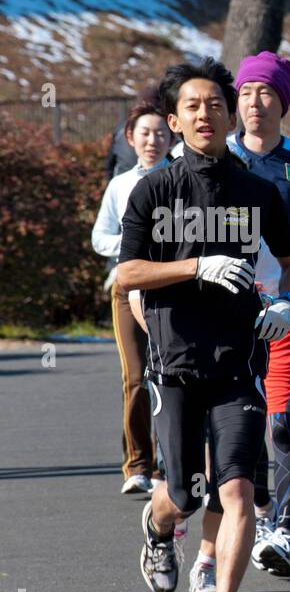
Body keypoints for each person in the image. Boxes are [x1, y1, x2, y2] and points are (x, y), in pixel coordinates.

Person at [116, 56, 290, 592]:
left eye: (215, 105)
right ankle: (156, 524)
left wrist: (285, 303)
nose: (205, 113)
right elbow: (125, 275)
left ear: (229, 116)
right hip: (175, 368)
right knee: (183, 493)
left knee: (240, 492)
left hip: (237, 365)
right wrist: (196, 266)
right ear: (173, 120)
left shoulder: (258, 190)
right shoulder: (154, 189)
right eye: (192, 106)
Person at [184, 51, 290, 592]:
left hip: (285, 311)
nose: (254, 102)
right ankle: (219, 536)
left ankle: (284, 533)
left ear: (283, 102)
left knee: (279, 421)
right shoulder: (215, 162)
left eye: (266, 92)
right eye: (246, 92)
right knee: (224, 437)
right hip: (222, 317)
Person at [92, 96, 172, 496]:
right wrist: (131, 244)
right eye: (145, 133)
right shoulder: (120, 185)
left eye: (160, 132)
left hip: (174, 290)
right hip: (128, 289)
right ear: (130, 138)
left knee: (173, 377)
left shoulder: (181, 179)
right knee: (137, 378)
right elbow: (99, 237)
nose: (153, 140)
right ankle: (138, 463)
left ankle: (170, 463)